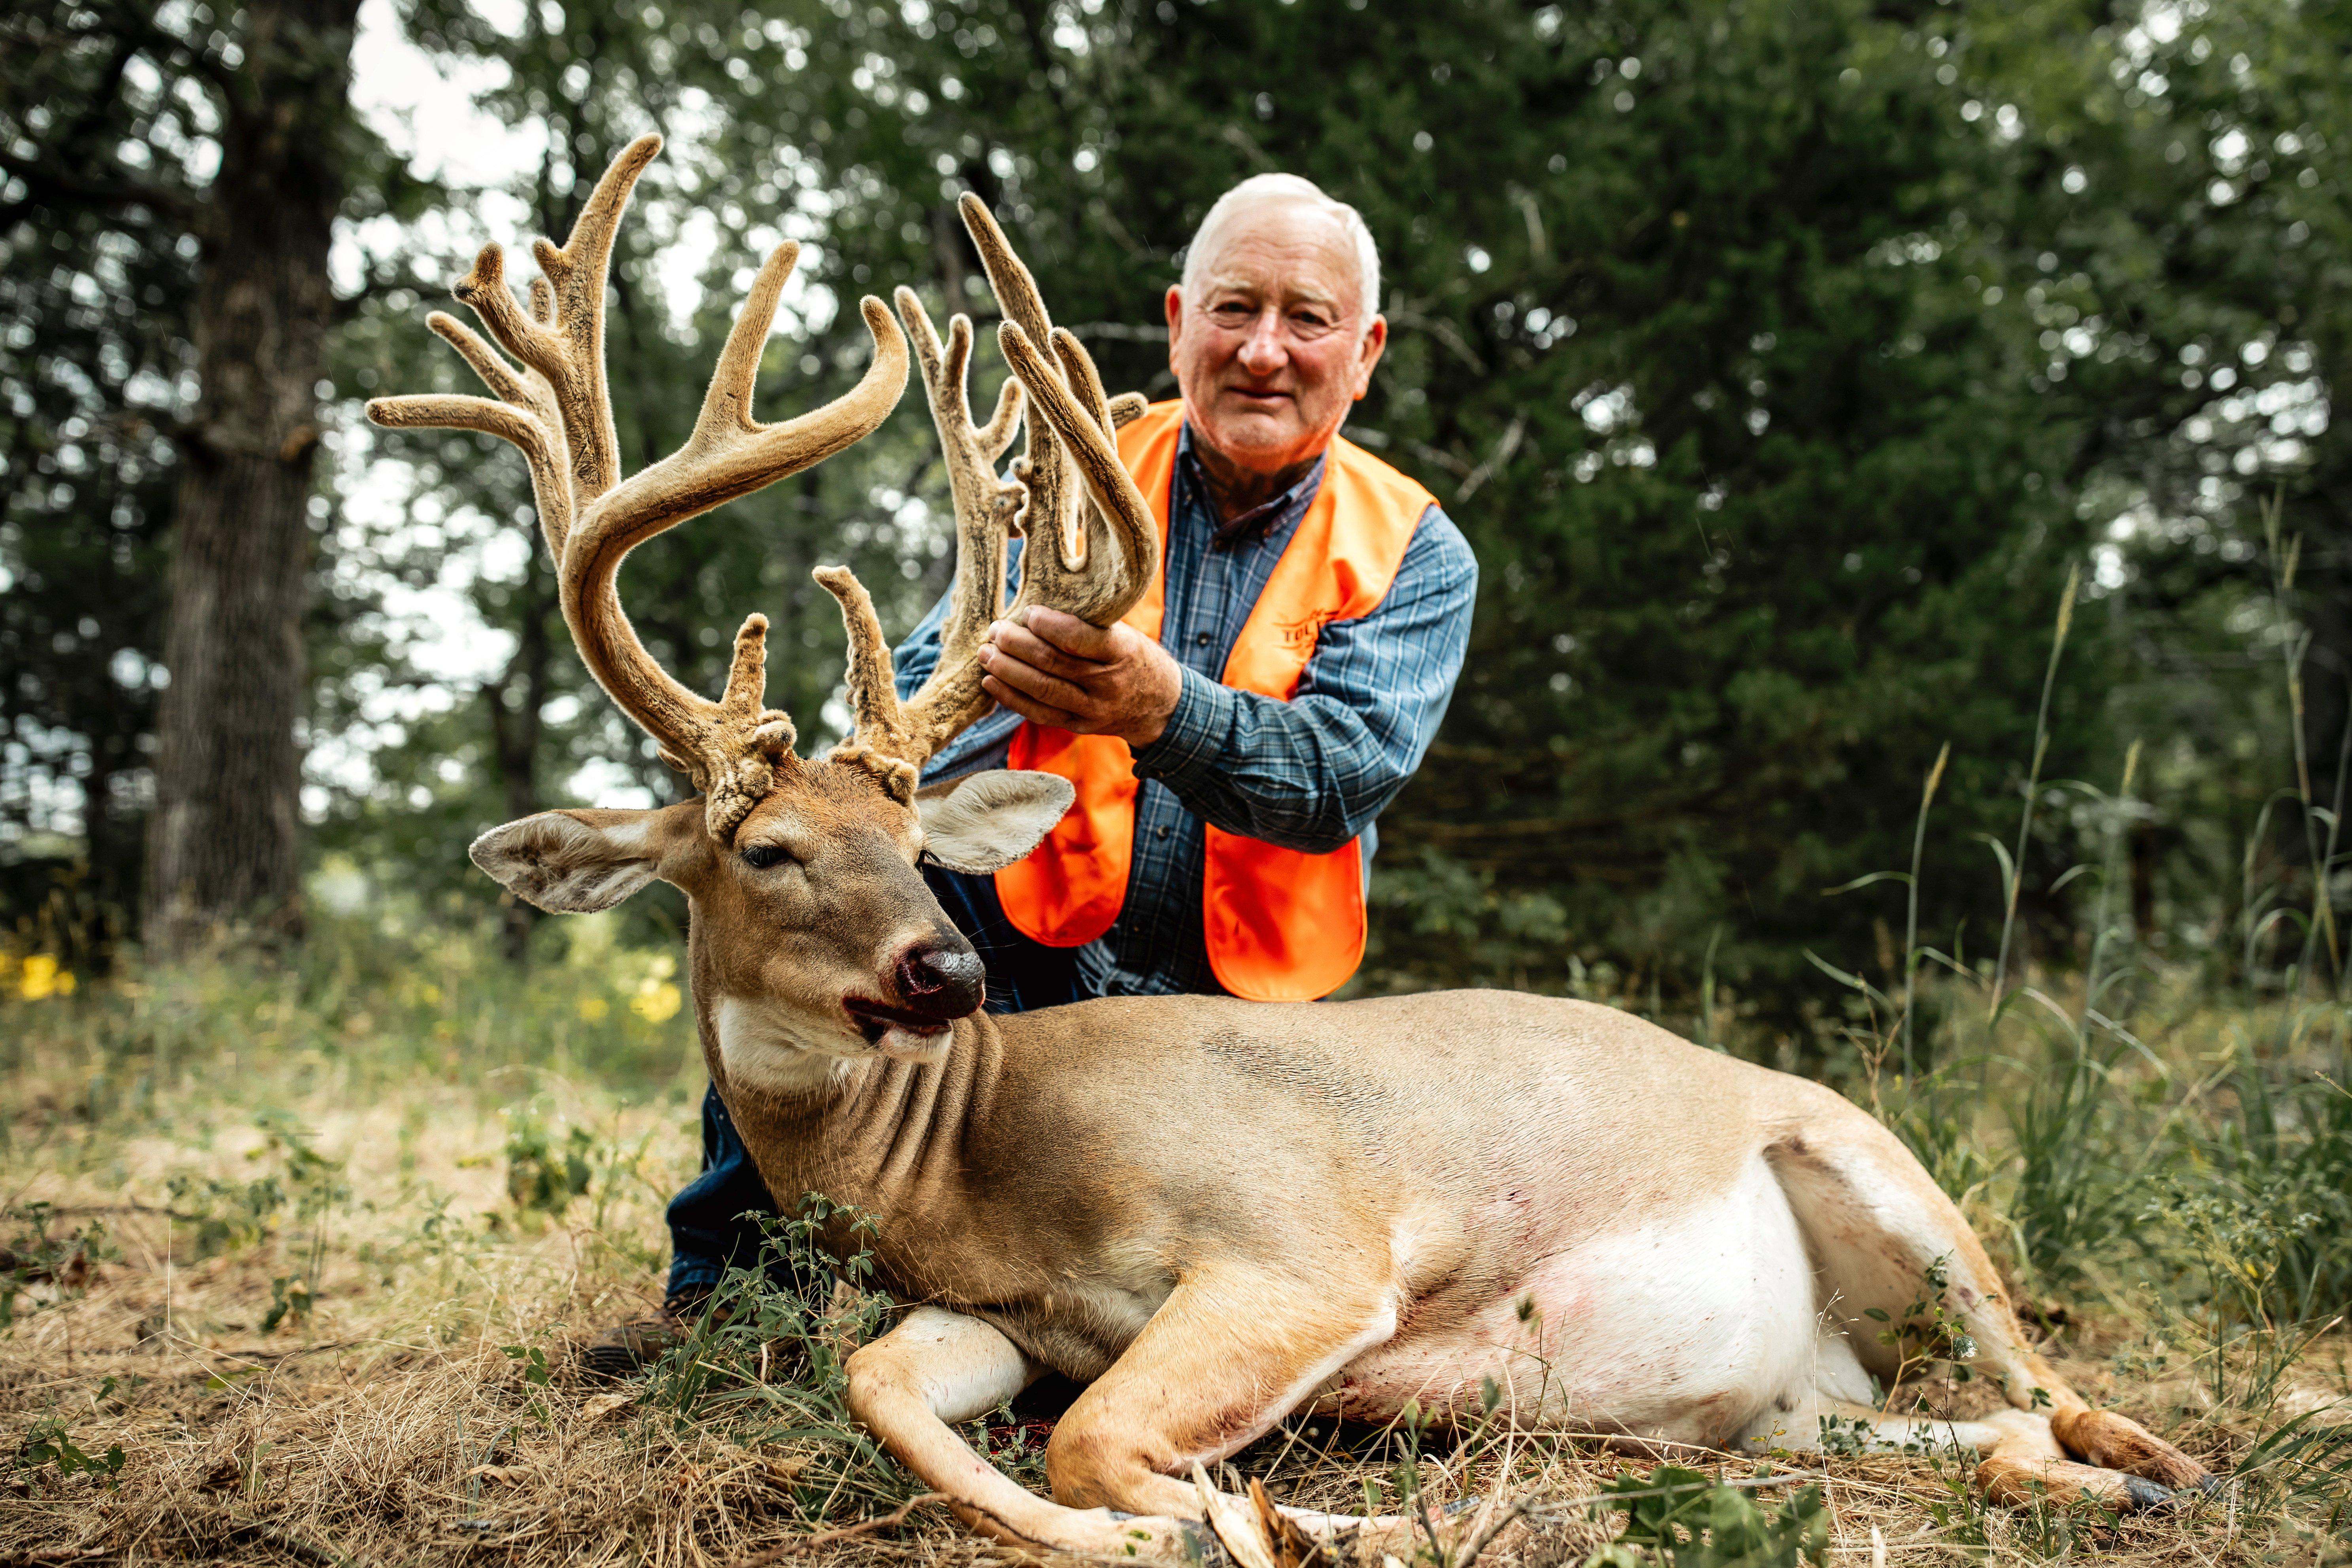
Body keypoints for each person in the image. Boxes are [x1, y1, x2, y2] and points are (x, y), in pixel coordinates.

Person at [585, 172, 1478, 1374]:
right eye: (1233, 309)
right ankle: (732, 1301)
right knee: (812, 899)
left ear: (1362, 351)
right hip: (1020, 949)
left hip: (1238, 1008)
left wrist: (1161, 709)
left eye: (1306, 319)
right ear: (1177, 323)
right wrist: (947, 701)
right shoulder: (1060, 483)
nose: (1264, 350)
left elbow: (1341, 780)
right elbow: (896, 723)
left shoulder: (1413, 547)